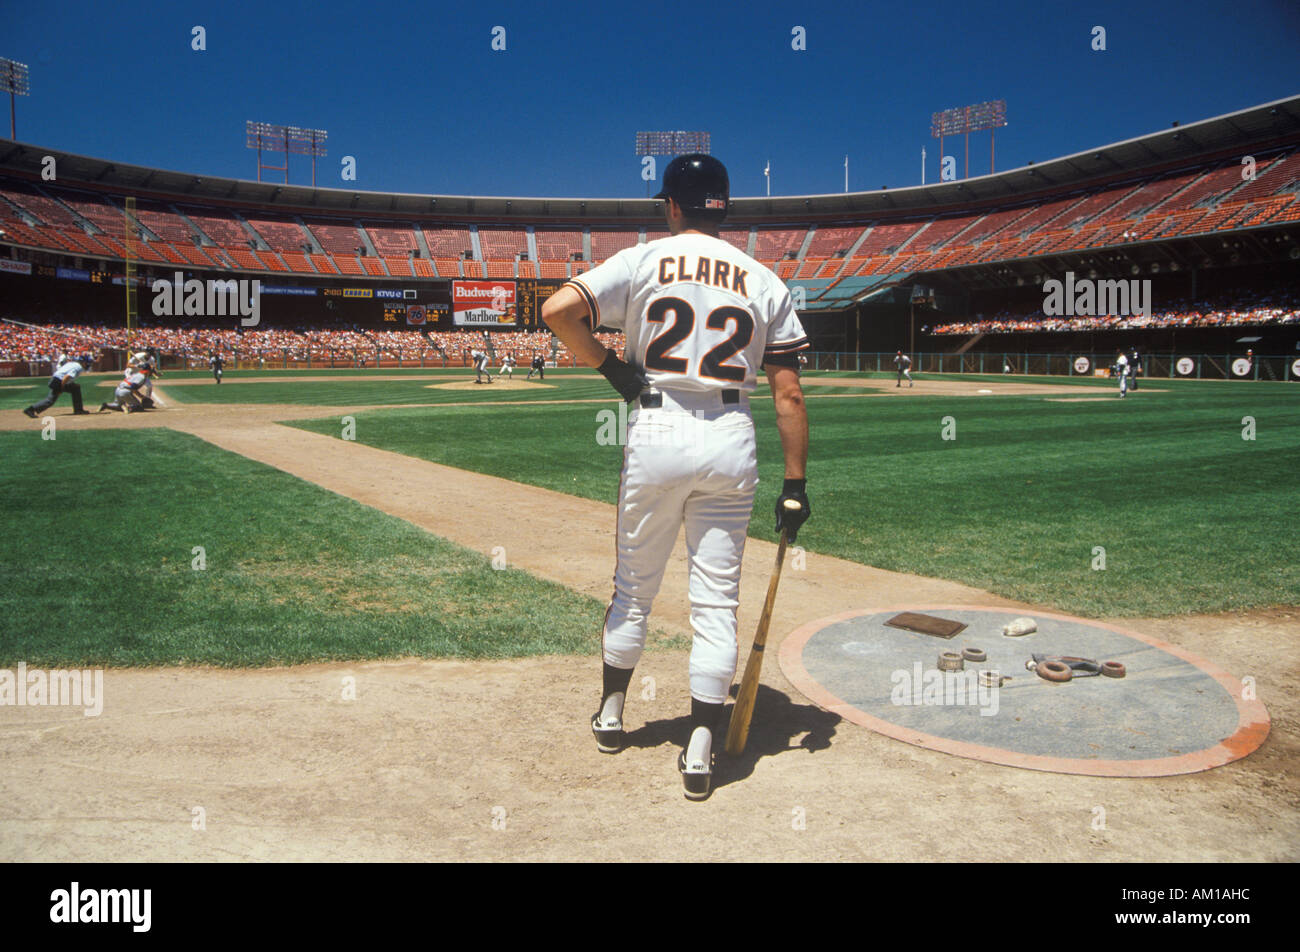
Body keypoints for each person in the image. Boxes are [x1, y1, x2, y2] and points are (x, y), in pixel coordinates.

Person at [542, 153, 810, 801]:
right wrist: (795, 485)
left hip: (657, 425)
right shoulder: (763, 278)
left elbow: (557, 311)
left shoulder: (643, 260)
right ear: (725, 208)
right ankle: (699, 746)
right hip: (730, 435)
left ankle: (611, 715)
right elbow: (790, 395)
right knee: (716, 602)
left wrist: (615, 371)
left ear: (671, 206)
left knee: (634, 588)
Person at [23, 354, 92, 417]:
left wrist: (72, 384)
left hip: (58, 379)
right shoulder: (78, 367)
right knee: (50, 401)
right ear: (83, 362)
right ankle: (30, 409)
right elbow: (66, 377)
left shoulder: (73, 363)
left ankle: (78, 410)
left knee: (75, 388)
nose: (88, 364)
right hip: (58, 381)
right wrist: (60, 388)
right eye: (87, 362)